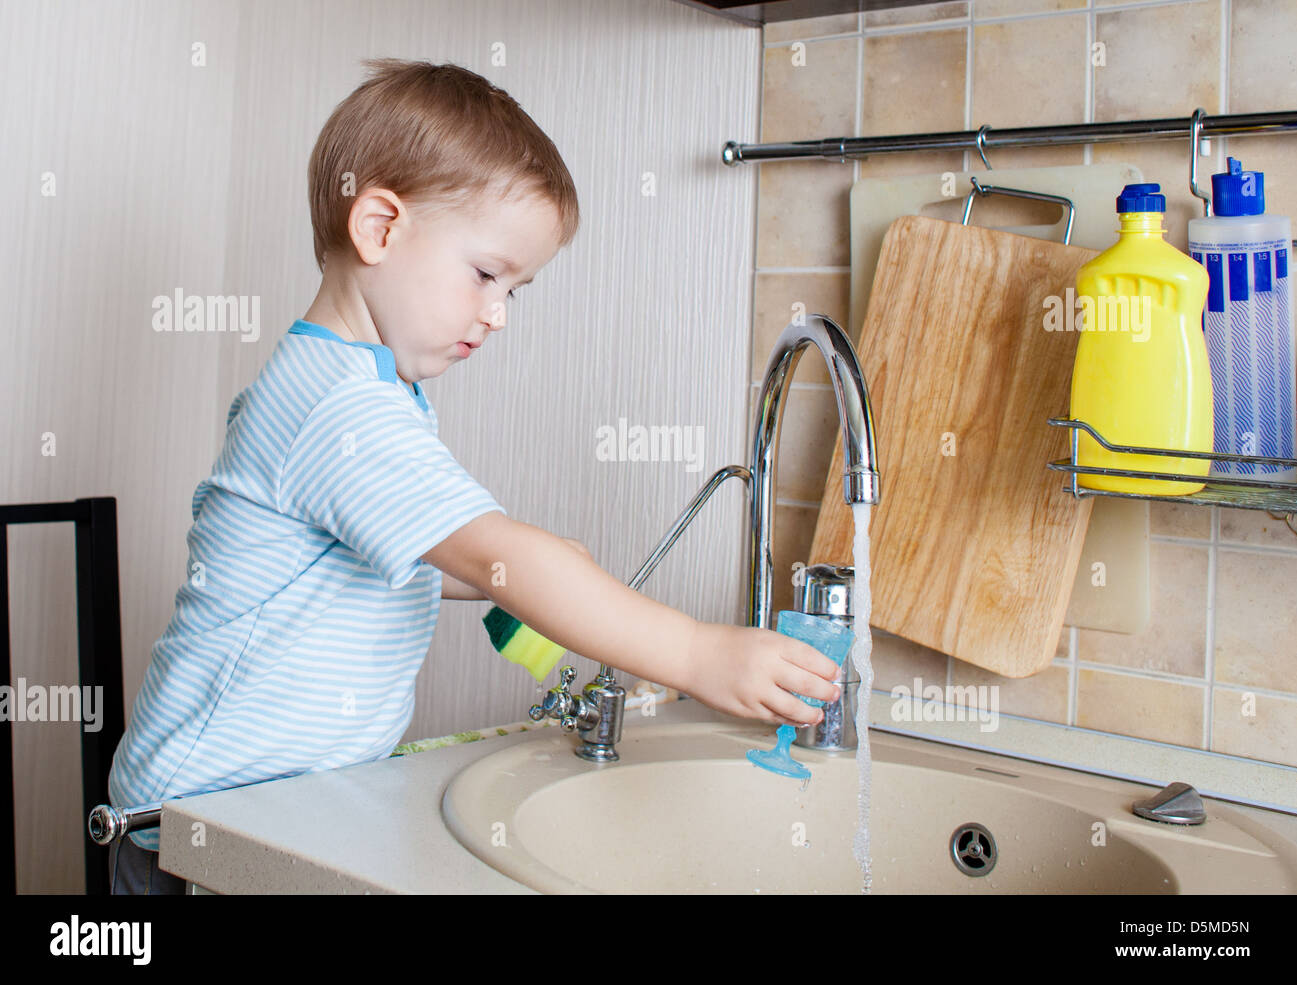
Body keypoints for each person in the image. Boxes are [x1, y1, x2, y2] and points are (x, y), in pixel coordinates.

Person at [106, 59, 839, 894]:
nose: (497, 313)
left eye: (516, 292)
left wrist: (505, 573)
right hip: (188, 828)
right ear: (379, 228)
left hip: (261, 809)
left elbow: (363, 563)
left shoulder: (374, 389)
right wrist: (699, 653)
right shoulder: (341, 407)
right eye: (487, 274)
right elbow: (499, 556)